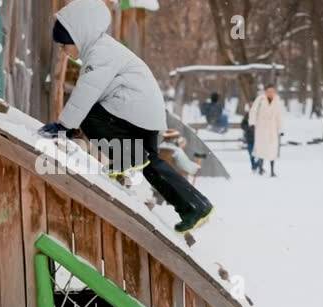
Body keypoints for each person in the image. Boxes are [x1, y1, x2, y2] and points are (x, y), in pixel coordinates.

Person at [38, 0, 213, 233]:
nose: (63, 50)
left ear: (79, 37)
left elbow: (86, 93)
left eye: (64, 44)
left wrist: (64, 126)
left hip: (137, 114)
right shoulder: (103, 49)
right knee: (151, 165)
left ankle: (127, 157)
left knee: (89, 116)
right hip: (143, 116)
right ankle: (193, 206)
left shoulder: (100, 53)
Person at [249, 84, 283, 177]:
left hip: (272, 128)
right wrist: (252, 123)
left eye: (272, 91)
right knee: (261, 148)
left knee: (272, 149)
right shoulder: (260, 99)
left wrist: (280, 129)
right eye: (269, 91)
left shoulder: (277, 101)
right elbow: (253, 111)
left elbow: (279, 116)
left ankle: (272, 171)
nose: (270, 93)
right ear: (265, 92)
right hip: (261, 128)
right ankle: (260, 168)